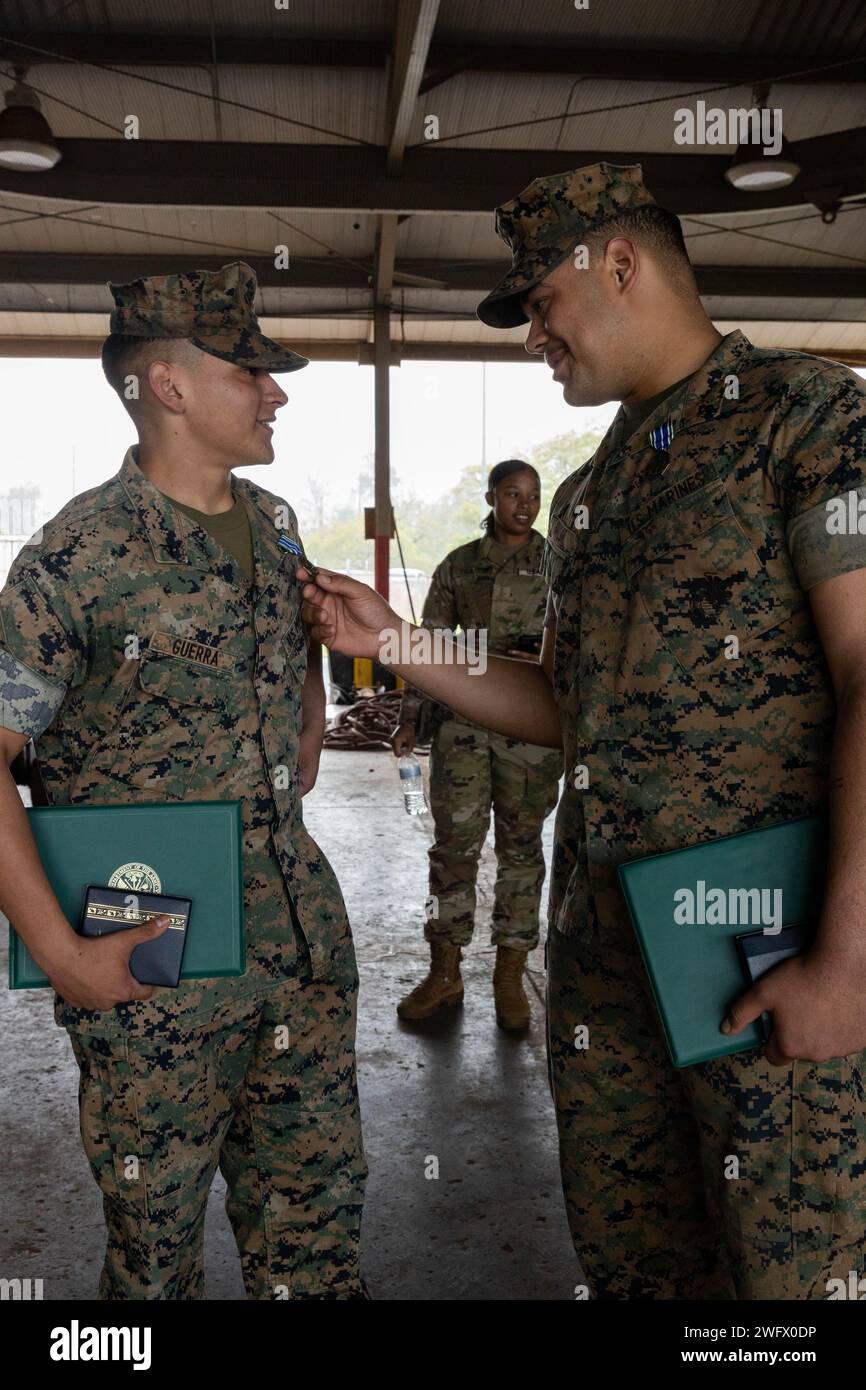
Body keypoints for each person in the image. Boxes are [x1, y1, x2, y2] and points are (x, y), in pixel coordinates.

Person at [298, 162, 866, 1300]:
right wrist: (400, 639)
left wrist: (847, 962)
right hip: (608, 953)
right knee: (634, 1255)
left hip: (766, 939)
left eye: (538, 305)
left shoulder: (810, 418)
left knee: (786, 1272)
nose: (531, 338)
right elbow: (563, 697)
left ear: (619, 264)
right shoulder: (593, 487)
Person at [0, 261, 367, 1300]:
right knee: (156, 1258)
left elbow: (300, 647)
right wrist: (60, 953)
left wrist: (305, 711)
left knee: (318, 1236)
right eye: (251, 369)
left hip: (299, 947)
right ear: (167, 385)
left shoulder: (278, 520)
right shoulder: (74, 559)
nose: (276, 391)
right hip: (155, 968)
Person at [391, 460, 562, 1029]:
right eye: (513, 494)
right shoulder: (460, 566)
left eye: (533, 496)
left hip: (532, 734)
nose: (525, 505)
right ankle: (444, 972)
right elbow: (430, 646)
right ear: (491, 498)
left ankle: (510, 975)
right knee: (453, 851)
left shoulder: (557, 564)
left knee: (521, 852)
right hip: (463, 726)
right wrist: (412, 717)